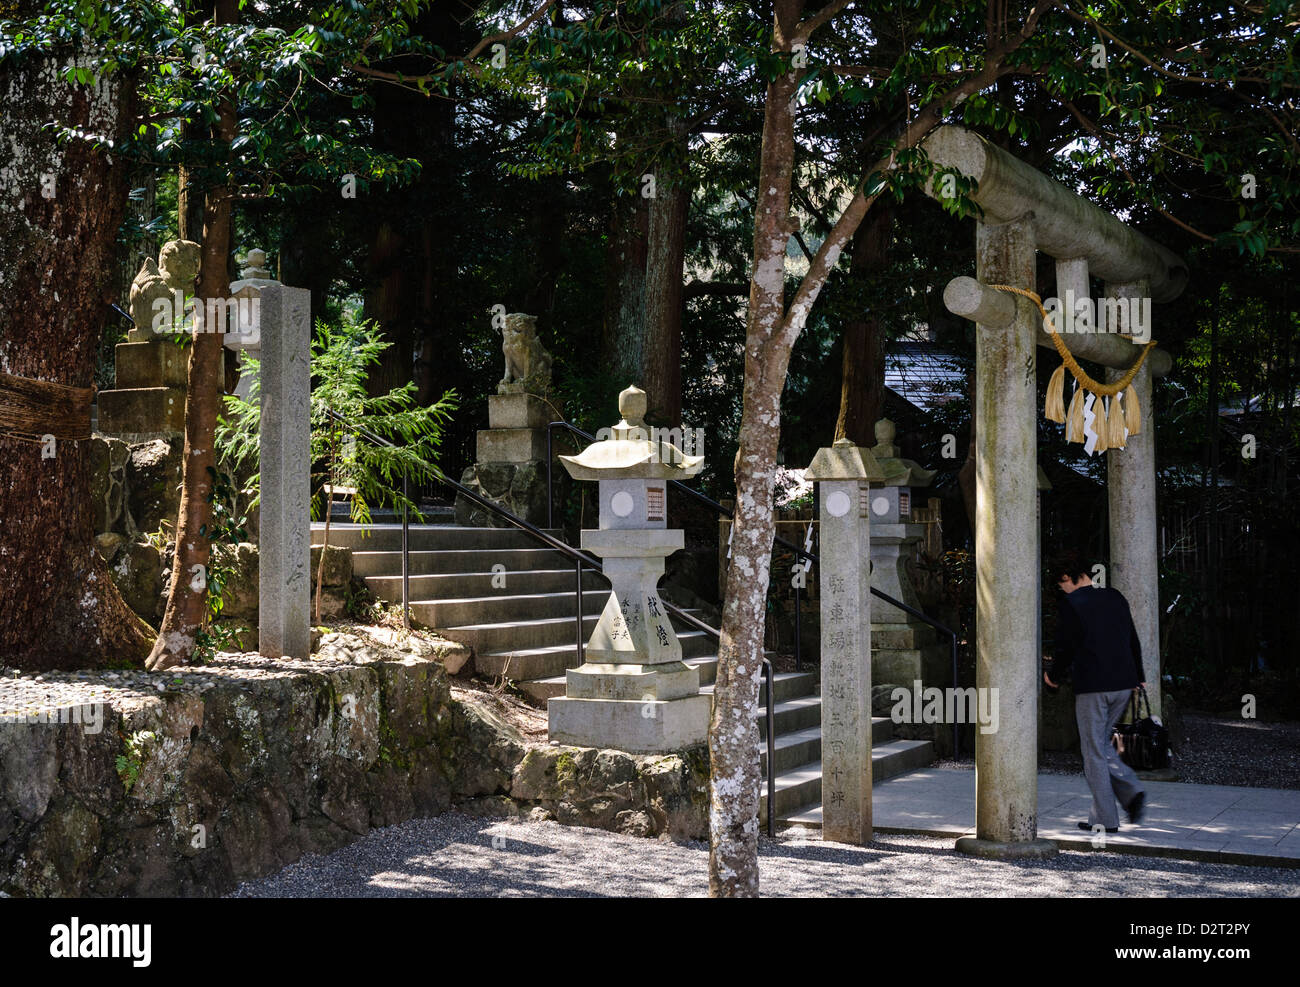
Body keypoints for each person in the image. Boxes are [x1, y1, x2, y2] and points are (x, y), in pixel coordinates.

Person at [1044, 551, 1146, 834]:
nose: (1061, 588)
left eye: (1060, 583)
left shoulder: (1072, 604)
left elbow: (1066, 646)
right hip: (1124, 683)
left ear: (1068, 578)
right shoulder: (1115, 596)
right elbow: (1131, 637)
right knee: (1100, 745)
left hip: (1093, 686)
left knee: (1093, 751)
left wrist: (1053, 675)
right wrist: (1140, 676)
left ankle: (1115, 809)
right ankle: (1104, 811)